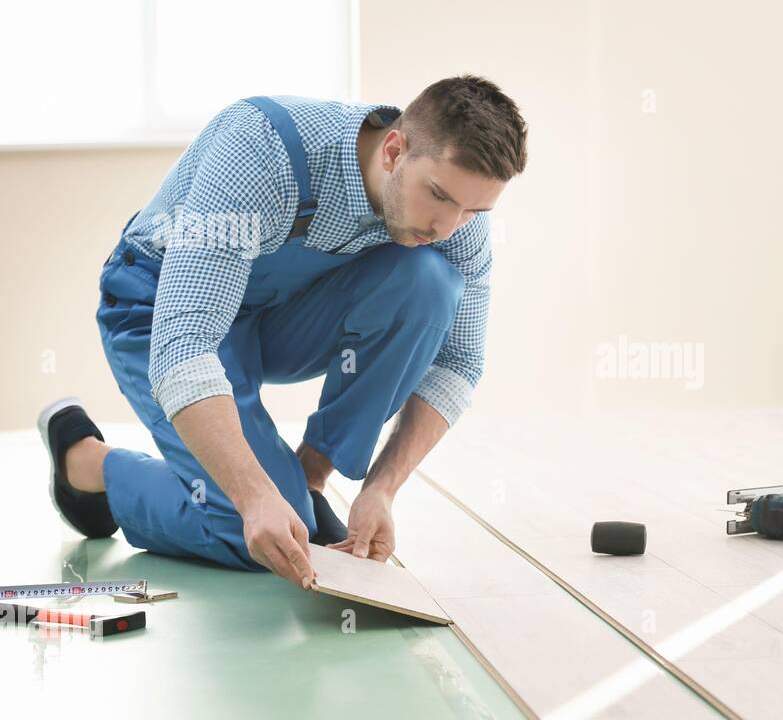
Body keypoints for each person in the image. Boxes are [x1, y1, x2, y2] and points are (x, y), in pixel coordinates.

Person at [37, 76, 528, 590]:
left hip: (271, 312)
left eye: (474, 210)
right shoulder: (261, 153)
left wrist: (383, 487)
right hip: (160, 309)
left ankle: (309, 478)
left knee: (428, 281)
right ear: (393, 150)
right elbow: (185, 345)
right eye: (439, 196)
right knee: (259, 534)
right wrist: (254, 499)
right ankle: (89, 466)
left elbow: (459, 362)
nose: (449, 226)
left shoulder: (455, 216)